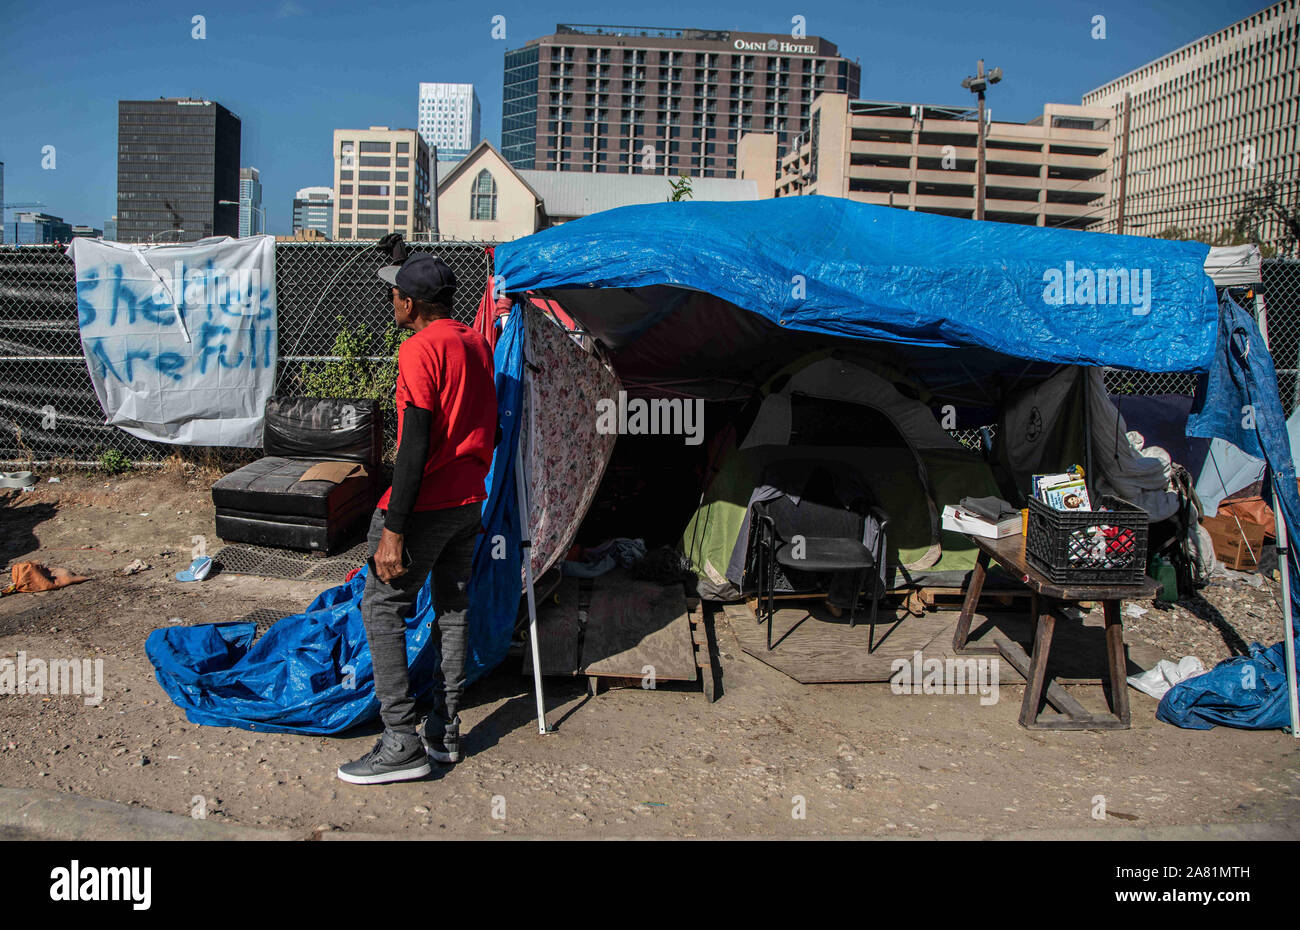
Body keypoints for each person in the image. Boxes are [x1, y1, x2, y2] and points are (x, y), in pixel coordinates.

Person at [337, 253, 498, 785]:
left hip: (425, 505)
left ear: (410, 304)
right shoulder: (476, 344)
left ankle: (401, 742)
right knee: (452, 609)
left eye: (395, 294)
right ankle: (443, 730)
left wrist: (394, 528)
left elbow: (415, 443)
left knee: (382, 607)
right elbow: (487, 425)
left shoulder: (418, 349)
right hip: (469, 502)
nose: (391, 301)